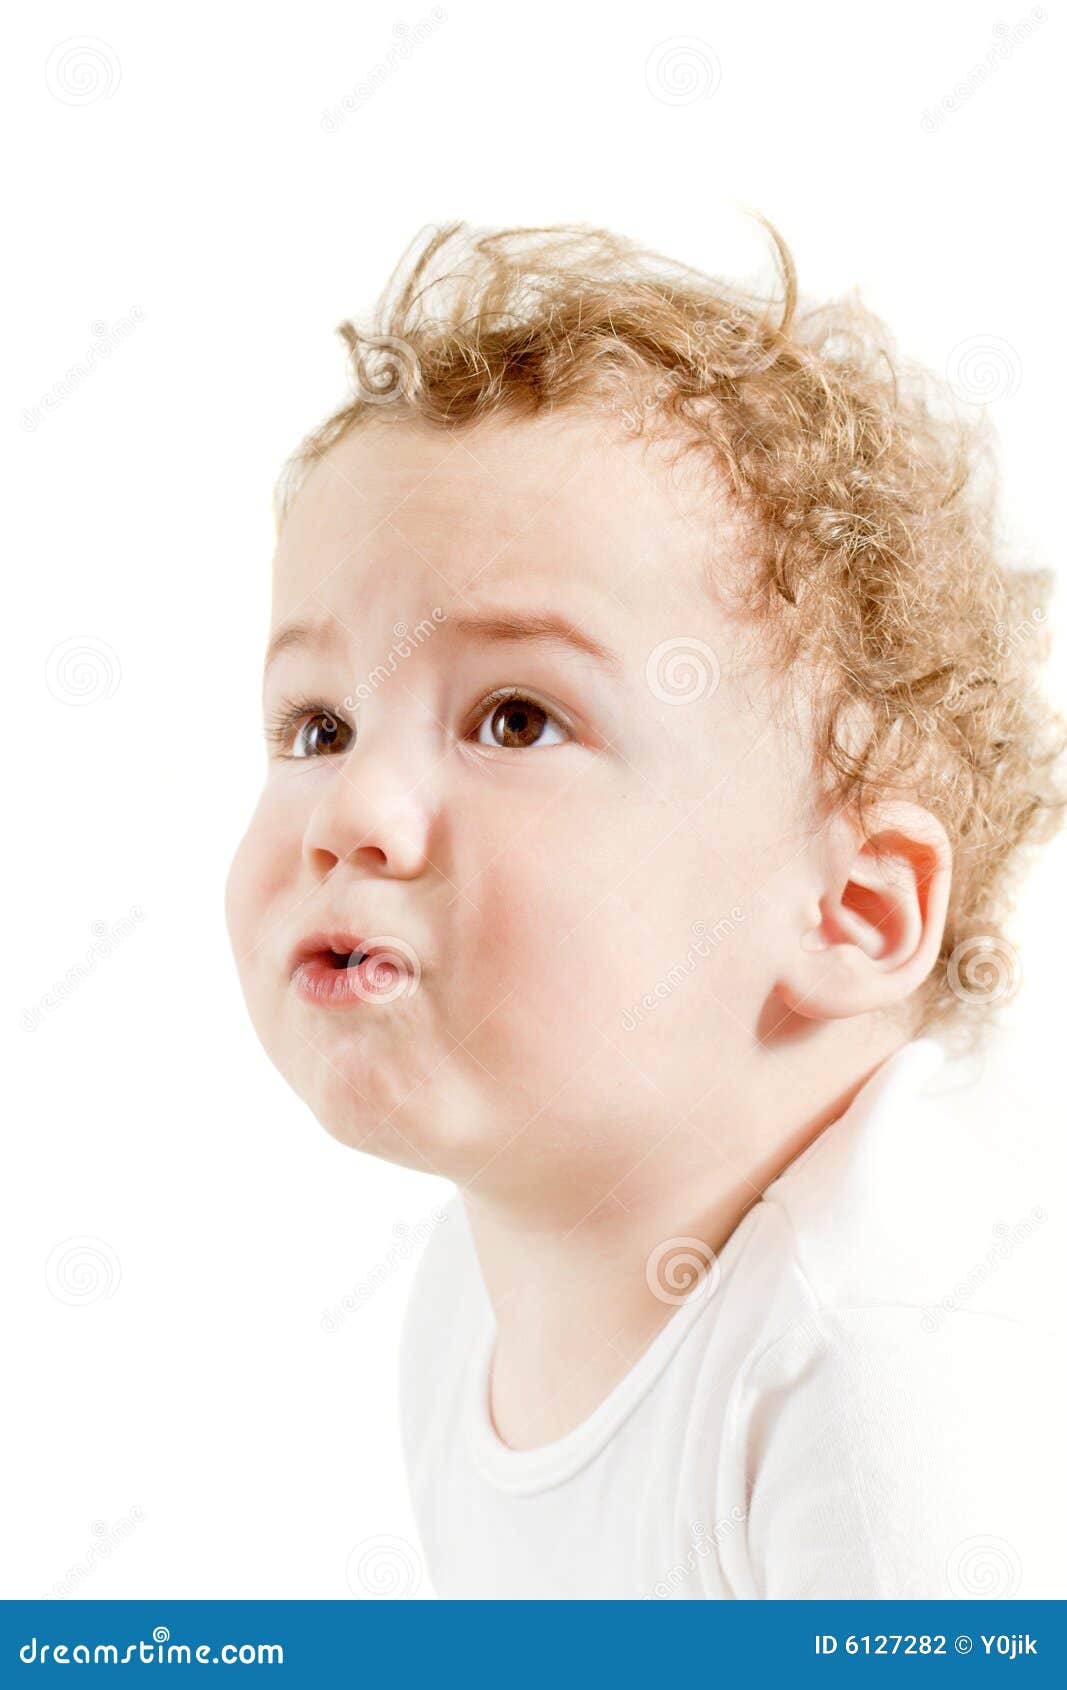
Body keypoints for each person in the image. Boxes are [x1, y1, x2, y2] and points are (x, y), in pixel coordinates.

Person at [225, 218, 1066, 1598]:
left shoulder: (888, 1364)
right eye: (318, 726)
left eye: (514, 717)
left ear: (852, 910)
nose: (350, 811)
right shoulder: (467, 1302)